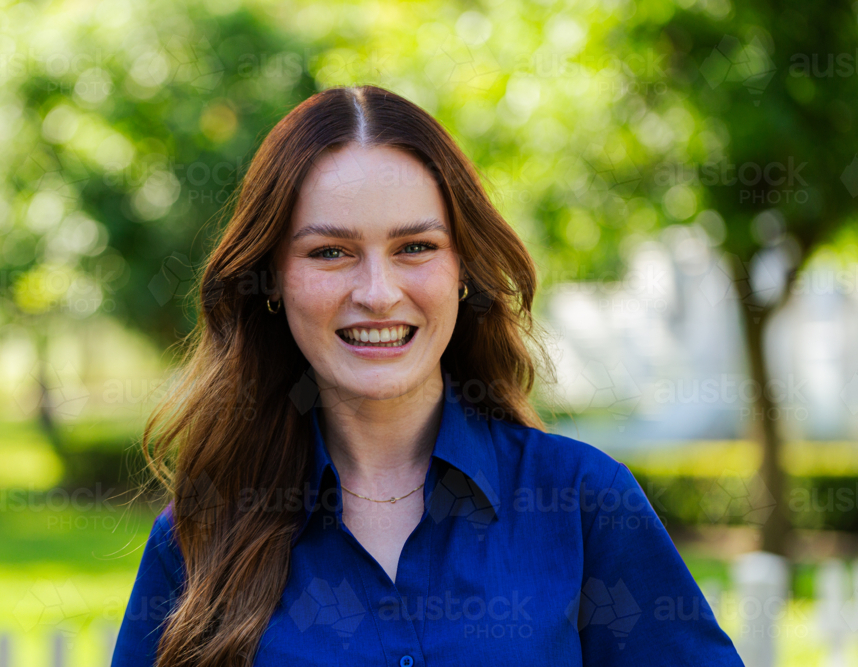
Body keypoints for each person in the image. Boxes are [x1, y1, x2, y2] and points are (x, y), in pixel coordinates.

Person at [111, 84, 746, 667]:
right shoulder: (201, 535)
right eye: (330, 252)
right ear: (272, 278)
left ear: (463, 269)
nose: (379, 293)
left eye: (415, 247)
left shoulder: (583, 503)